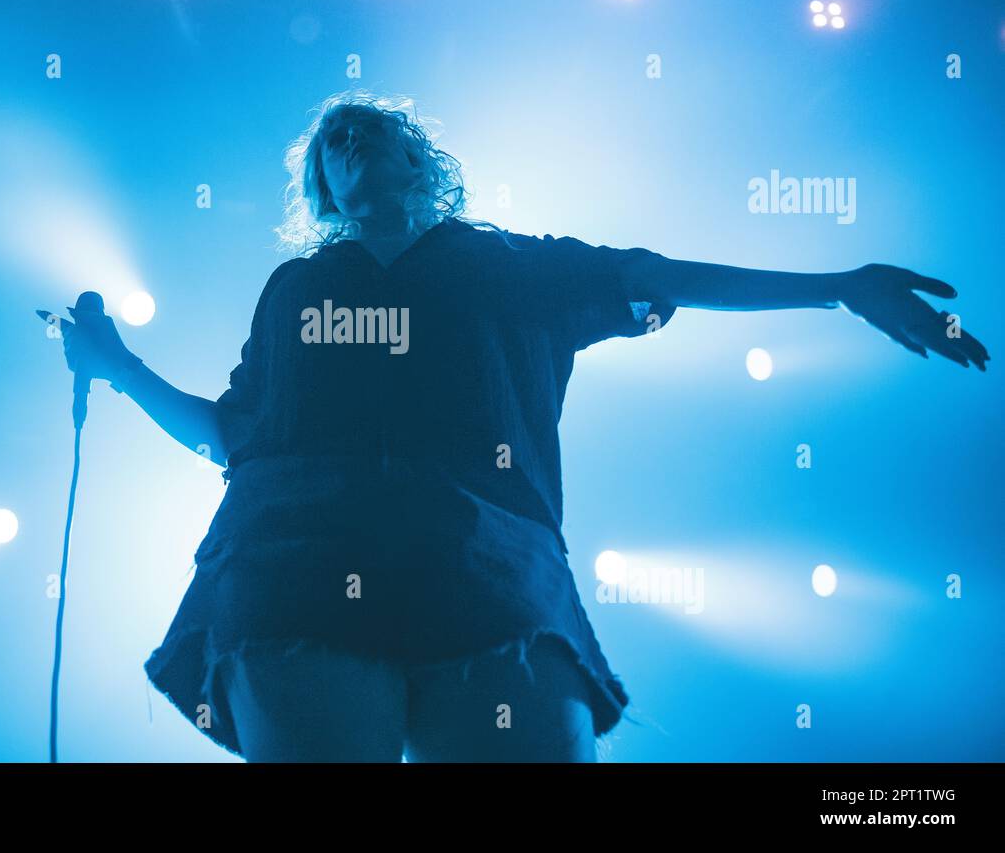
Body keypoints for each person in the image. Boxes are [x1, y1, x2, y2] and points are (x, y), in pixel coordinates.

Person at [60, 92, 989, 762]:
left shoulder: (507, 264)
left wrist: (838, 289)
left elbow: (660, 272)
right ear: (323, 187)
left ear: (415, 156)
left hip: (489, 575)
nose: (350, 144)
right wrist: (120, 367)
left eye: (368, 128)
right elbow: (234, 434)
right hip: (295, 567)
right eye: (333, 140)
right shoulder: (296, 289)